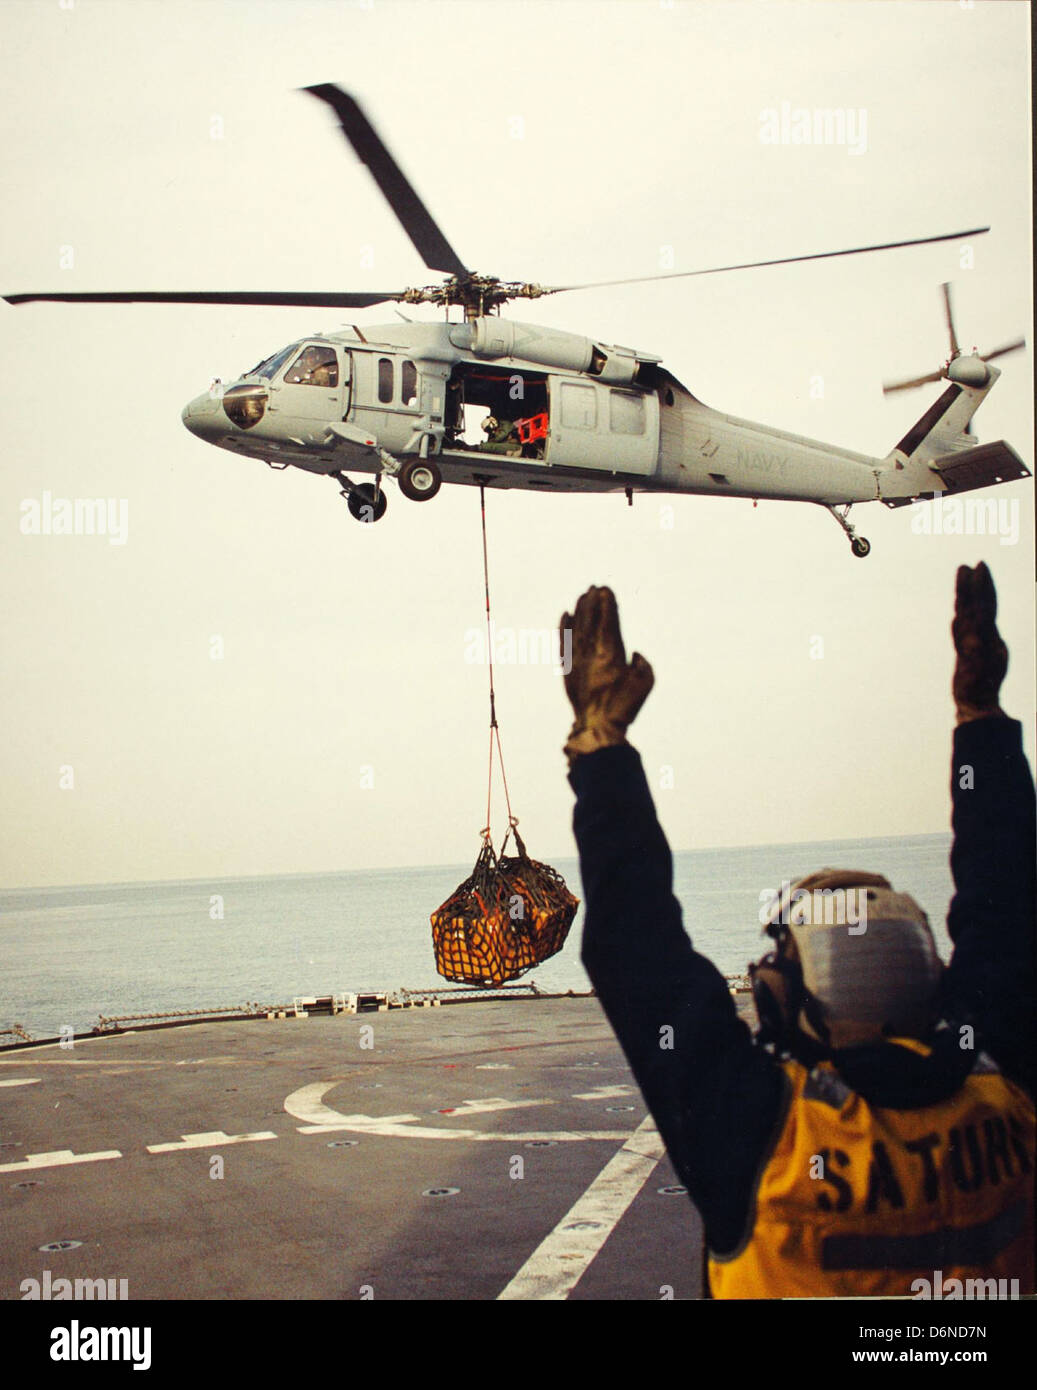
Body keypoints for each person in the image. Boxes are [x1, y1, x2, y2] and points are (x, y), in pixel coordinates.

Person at [560, 565, 1034, 1297]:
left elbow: (634, 940)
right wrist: (981, 716)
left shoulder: (773, 1139)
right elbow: (1004, 909)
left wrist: (598, 740)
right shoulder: (1003, 1097)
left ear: (798, 991)